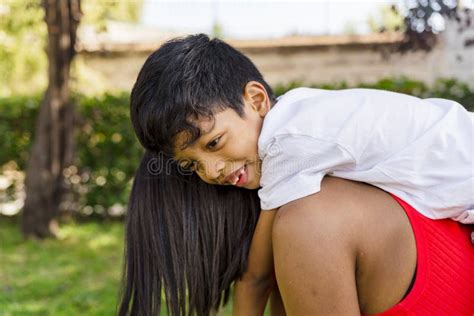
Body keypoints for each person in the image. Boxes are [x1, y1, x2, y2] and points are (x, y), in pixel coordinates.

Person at [119, 33, 474, 315]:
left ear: (257, 100)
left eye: (213, 143)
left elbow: (256, 275)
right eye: (190, 165)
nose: (210, 171)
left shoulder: (288, 145)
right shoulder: (304, 119)